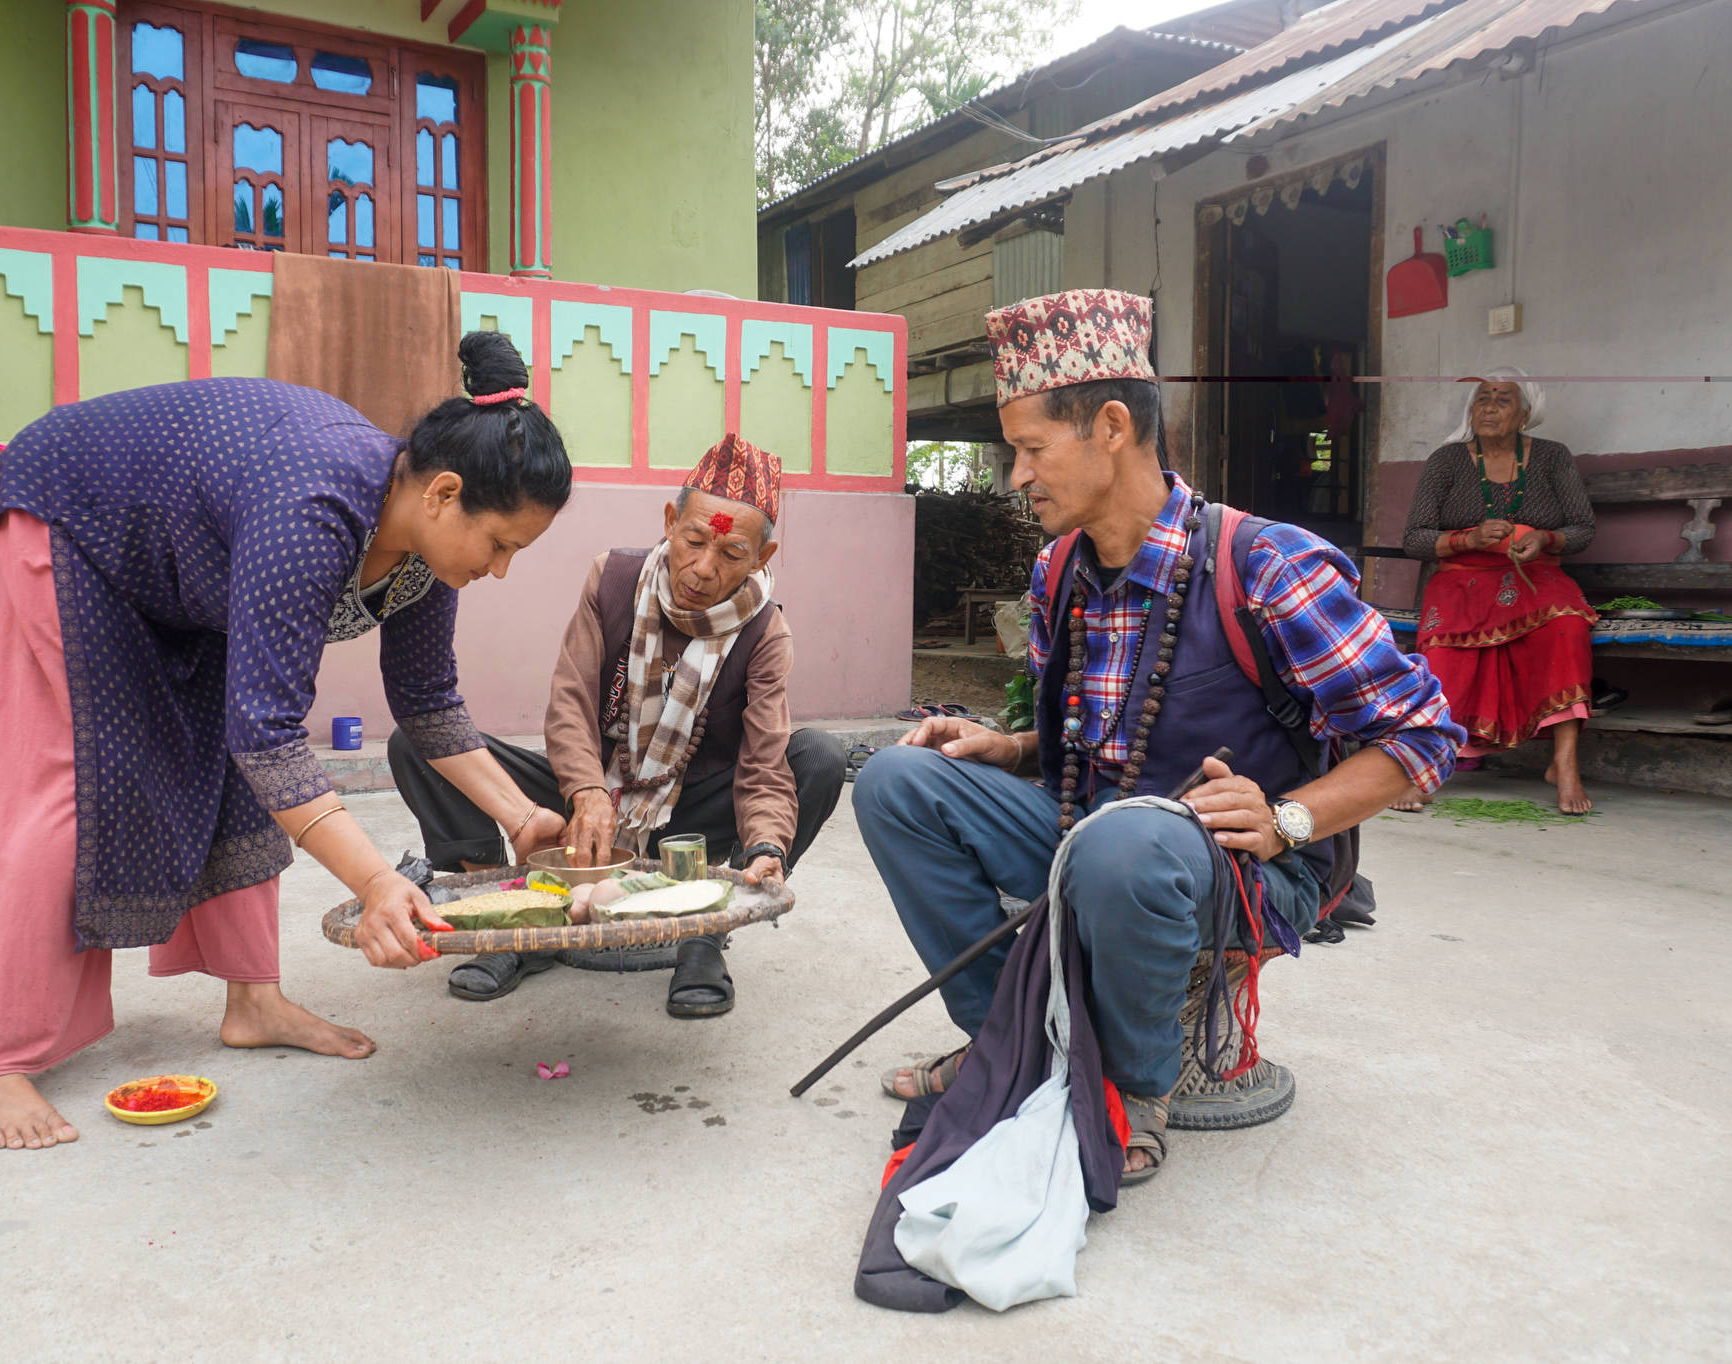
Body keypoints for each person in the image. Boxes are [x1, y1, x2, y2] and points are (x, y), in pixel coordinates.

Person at [851, 289, 1462, 1183]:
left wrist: (1290, 819)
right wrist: (1009, 748)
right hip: (1085, 838)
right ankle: (1005, 1040)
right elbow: (1085, 736)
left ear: (1108, 427)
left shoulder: (1267, 564)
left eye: (1029, 450)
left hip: (1235, 870)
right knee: (892, 783)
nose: (1016, 478)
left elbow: (1424, 737)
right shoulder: (1057, 569)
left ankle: (1132, 1088)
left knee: (1130, 837)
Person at [0, 332, 573, 1151]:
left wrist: (523, 820)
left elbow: (426, 703)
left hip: (180, 565)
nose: (499, 571)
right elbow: (271, 734)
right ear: (445, 493)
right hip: (72, 522)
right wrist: (380, 883)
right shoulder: (311, 510)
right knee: (76, 784)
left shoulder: (421, 549)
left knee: (239, 775)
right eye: (500, 546)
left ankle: (254, 1002)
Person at [389, 434, 845, 1017]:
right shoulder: (611, 580)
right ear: (669, 521)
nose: (703, 569)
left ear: (762, 557)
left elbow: (763, 766)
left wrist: (766, 847)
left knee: (820, 758)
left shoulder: (765, 634)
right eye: (694, 540)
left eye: (732, 555)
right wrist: (586, 791)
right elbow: (571, 703)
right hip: (587, 794)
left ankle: (702, 936)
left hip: (693, 811)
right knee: (420, 743)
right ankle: (517, 915)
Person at [1397, 367, 1597, 814]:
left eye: (1503, 399)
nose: (1489, 406)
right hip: (1462, 577)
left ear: (1525, 413)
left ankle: (1564, 764)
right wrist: (1468, 539)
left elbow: (1582, 528)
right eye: (1482, 399)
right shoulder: (1446, 461)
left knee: (1566, 627)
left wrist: (1546, 538)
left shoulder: (1552, 457)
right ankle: (1432, 762)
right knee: (1445, 648)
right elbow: (1414, 538)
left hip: (1534, 575)